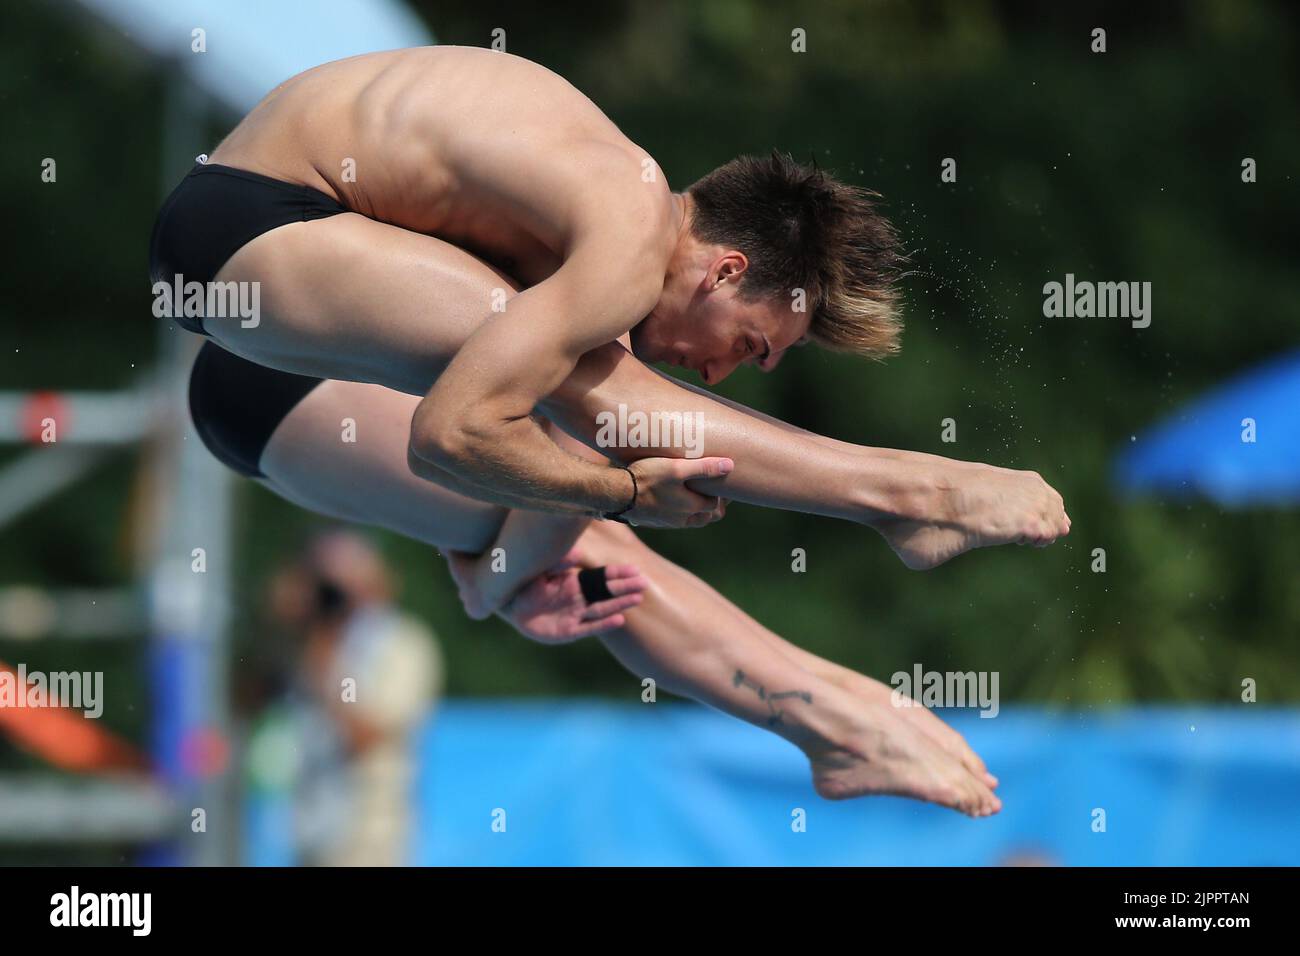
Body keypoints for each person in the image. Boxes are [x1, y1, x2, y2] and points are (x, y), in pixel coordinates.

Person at [149, 46, 1074, 815]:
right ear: (722, 270)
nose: (718, 374)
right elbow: (456, 433)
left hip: (278, 353)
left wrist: (508, 575)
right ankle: (904, 496)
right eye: (749, 345)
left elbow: (497, 459)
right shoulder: (628, 228)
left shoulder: (591, 240)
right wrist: (622, 496)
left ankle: (835, 712)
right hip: (250, 255)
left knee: (597, 521)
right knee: (607, 427)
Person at [266, 531, 441, 866]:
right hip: (311, 826)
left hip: (366, 833)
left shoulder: (402, 645)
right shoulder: (310, 643)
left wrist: (323, 660)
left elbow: (365, 736)